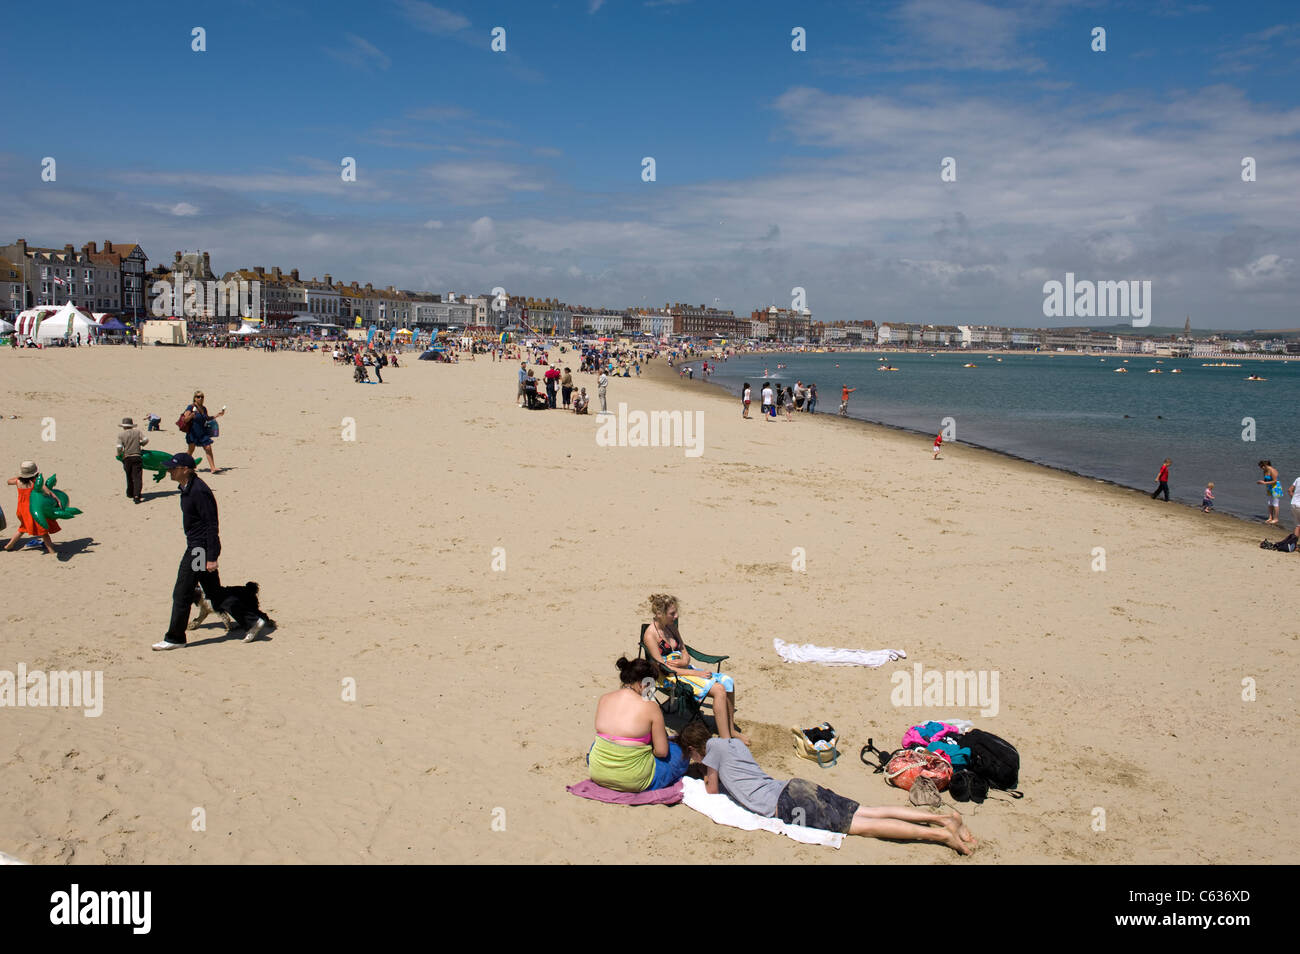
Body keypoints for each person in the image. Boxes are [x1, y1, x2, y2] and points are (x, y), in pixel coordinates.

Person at [677, 723, 975, 854]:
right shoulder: (730, 741)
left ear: (694, 747)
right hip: (795, 785)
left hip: (787, 804)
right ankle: (944, 819)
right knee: (867, 810)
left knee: (863, 826)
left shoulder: (712, 751)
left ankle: (939, 835)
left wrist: (701, 769)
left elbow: (713, 792)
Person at [151, 453, 268, 651]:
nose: (169, 470)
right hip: (199, 547)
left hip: (199, 550)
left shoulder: (199, 491)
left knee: (182, 593)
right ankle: (252, 621)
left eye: (173, 468)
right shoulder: (186, 487)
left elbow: (211, 524)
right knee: (214, 593)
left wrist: (211, 556)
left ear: (186, 469)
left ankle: (175, 638)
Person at [642, 594, 747, 744]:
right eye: (672, 613)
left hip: (685, 669)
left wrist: (684, 659)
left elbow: (684, 649)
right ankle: (726, 741)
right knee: (719, 690)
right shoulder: (650, 635)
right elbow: (662, 668)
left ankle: (731, 730)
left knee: (727, 681)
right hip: (669, 677)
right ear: (660, 614)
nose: (676, 616)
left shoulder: (670, 626)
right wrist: (695, 672)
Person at [587, 656, 689, 793]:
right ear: (643, 683)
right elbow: (661, 752)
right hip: (633, 779)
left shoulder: (604, 699)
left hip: (597, 773)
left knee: (601, 743)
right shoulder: (651, 707)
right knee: (679, 752)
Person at [4, 461, 59, 555]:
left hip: (22, 509)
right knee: (43, 531)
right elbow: (49, 493)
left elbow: (8, 481)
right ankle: (51, 551)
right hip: (34, 510)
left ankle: (9, 545)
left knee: (22, 528)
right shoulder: (36, 483)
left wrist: (20, 478)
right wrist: (57, 500)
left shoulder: (18, 481)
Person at [184, 390, 225, 474]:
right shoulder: (190, 407)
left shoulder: (204, 408)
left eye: (202, 397)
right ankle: (183, 466)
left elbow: (206, 418)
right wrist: (192, 415)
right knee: (190, 450)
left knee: (208, 448)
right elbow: (185, 419)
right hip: (193, 432)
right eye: (198, 397)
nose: (200, 398)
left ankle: (213, 468)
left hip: (202, 432)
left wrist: (218, 415)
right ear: (194, 398)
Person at [117, 417, 148, 504]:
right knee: (137, 477)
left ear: (123, 426)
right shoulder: (137, 432)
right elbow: (146, 439)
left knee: (129, 476)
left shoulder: (121, 435)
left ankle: (130, 493)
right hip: (137, 456)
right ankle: (137, 495)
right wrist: (141, 444)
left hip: (127, 457)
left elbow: (119, 447)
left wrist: (119, 454)